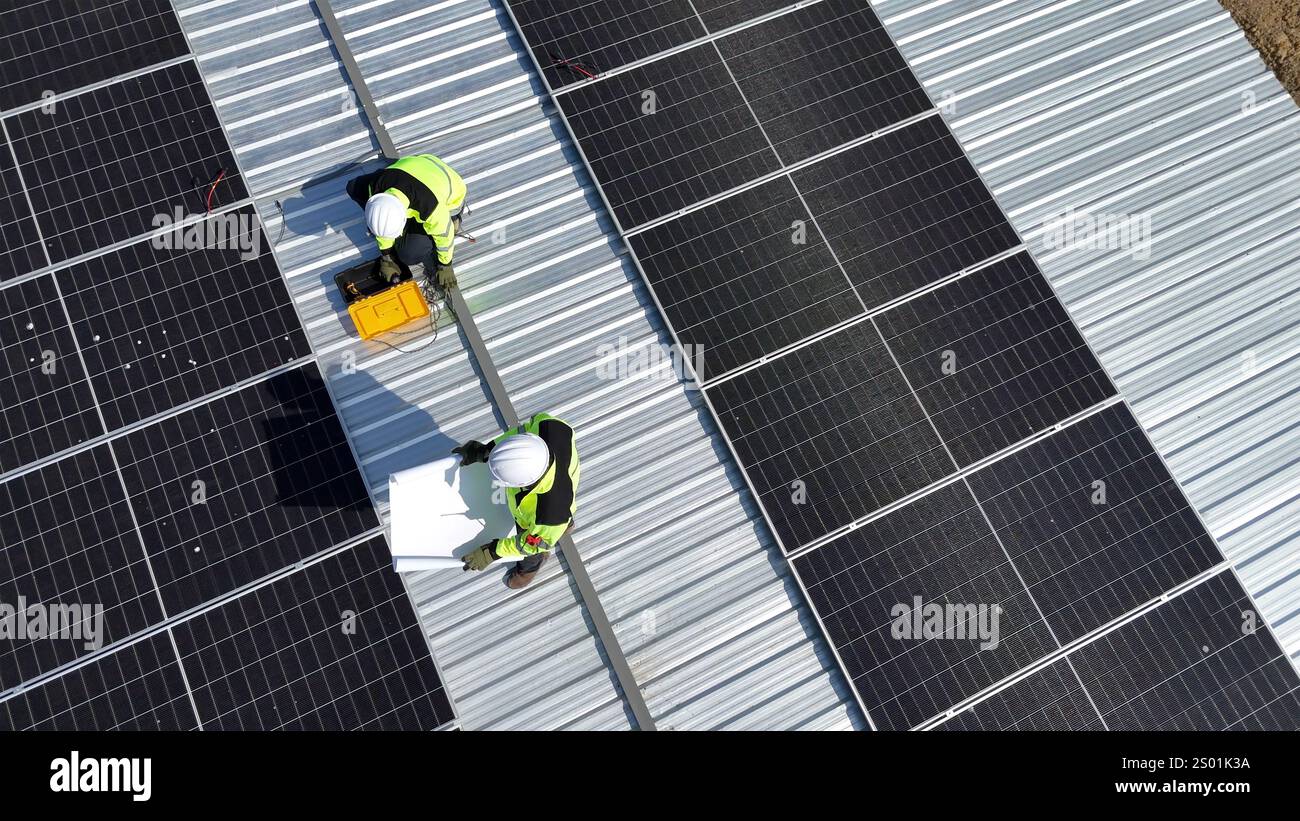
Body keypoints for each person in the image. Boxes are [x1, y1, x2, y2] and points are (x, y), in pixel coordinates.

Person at [454, 412, 580, 589]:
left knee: (536, 546)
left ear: (523, 484)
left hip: (550, 514)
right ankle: (566, 525)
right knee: (558, 520)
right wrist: (488, 450)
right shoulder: (547, 425)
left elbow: (529, 545)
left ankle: (530, 569)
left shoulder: (548, 514)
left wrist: (493, 552)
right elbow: (519, 435)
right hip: (563, 482)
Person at [347, 154, 466, 289]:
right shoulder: (374, 187)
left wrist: (445, 265)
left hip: (450, 189)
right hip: (418, 165)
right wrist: (387, 257)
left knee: (409, 253)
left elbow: (444, 236)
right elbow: (382, 222)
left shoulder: (430, 205)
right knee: (354, 187)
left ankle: (454, 218)